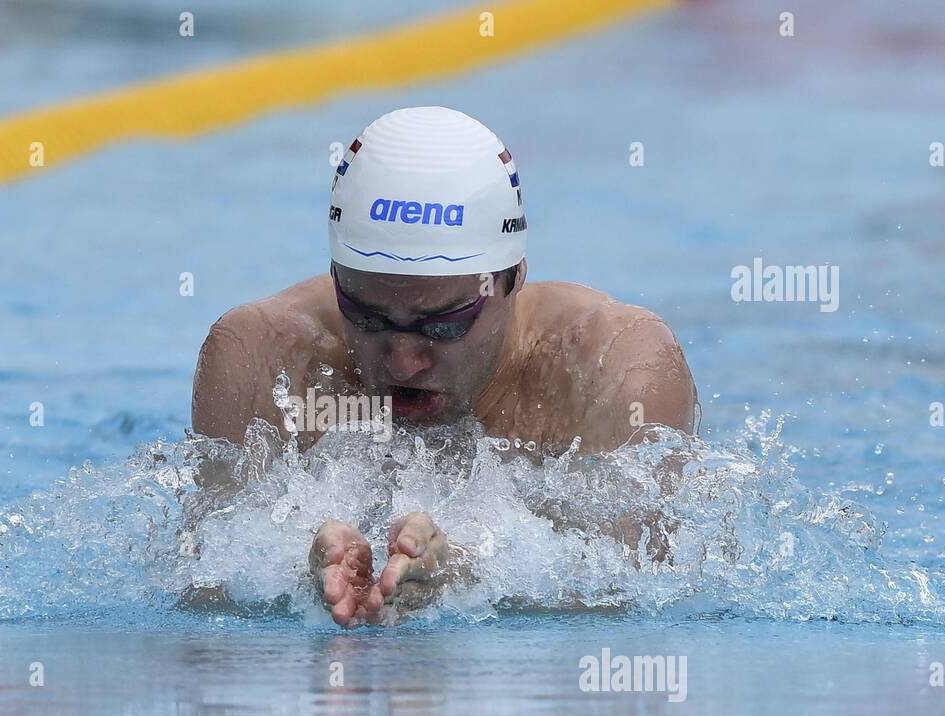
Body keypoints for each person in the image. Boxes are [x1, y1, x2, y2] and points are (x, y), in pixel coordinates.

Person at [192, 107, 698, 626]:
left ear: (512, 278)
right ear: (336, 277)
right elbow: (197, 579)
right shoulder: (263, 355)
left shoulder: (612, 366)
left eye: (443, 326)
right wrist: (293, 571)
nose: (404, 363)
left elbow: (648, 589)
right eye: (366, 318)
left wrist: (463, 574)